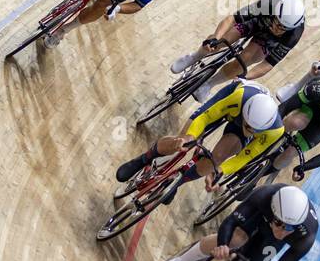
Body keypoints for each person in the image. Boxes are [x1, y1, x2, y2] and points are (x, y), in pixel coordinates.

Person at [128, 183, 318, 261]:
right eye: (281, 225)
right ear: (274, 212)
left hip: (271, 243)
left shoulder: (305, 235)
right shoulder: (263, 196)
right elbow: (230, 222)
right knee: (235, 239)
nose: (284, 231)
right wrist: (222, 245)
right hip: (257, 218)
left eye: (290, 228)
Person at [115, 78, 284, 198]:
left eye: (254, 130)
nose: (249, 130)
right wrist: (189, 136)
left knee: (216, 160)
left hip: (241, 122)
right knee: (182, 141)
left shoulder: (275, 131)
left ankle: (176, 183)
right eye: (248, 125)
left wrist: (220, 171)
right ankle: (144, 159)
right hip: (230, 105)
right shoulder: (239, 97)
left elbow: (244, 158)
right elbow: (205, 118)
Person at [170, 0, 306, 99]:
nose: (276, 28)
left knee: (243, 62)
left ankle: (208, 85)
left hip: (268, 40)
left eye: (282, 28)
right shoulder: (269, 4)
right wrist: (215, 39)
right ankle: (194, 56)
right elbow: (232, 18)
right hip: (257, 20)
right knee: (222, 40)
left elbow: (268, 64)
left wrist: (246, 77)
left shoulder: (294, 34)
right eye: (277, 22)